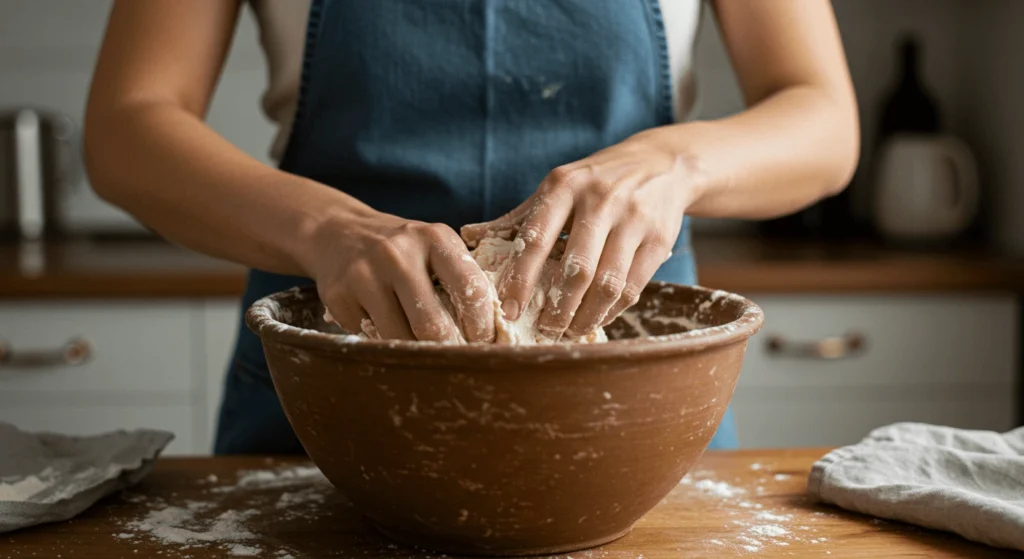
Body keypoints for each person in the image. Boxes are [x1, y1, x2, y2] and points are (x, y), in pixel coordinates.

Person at [84, 0, 858, 454]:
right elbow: (126, 125)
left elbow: (823, 119)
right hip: (334, 371)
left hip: (629, 377)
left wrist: (673, 163)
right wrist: (330, 229)